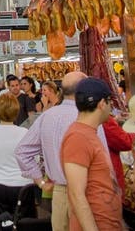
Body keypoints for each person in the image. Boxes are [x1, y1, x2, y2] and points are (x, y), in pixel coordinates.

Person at [15, 70, 108, 231]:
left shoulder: (47, 116)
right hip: (88, 192)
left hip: (59, 193)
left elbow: (22, 151)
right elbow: (103, 159)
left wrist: (41, 182)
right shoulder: (90, 117)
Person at [60, 77, 123, 231]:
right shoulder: (78, 137)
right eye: (110, 102)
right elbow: (77, 194)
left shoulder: (87, 133)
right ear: (102, 104)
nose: (111, 107)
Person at [0, 91, 35, 225]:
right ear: (16, 111)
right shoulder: (24, 132)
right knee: (23, 223)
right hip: (22, 183)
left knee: (3, 223)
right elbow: (30, 159)